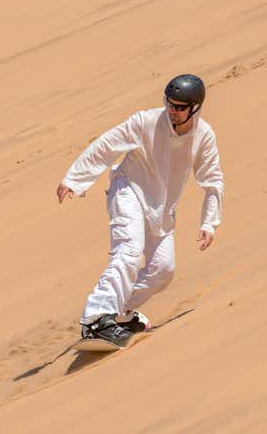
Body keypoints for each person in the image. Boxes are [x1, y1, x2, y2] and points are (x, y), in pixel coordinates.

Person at [56, 74, 224, 346]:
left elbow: (212, 179)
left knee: (163, 270)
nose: (173, 110)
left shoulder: (204, 136)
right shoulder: (145, 121)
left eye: (180, 107)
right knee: (130, 250)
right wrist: (74, 179)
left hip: (162, 207)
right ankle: (96, 319)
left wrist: (209, 222)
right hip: (129, 191)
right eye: (170, 104)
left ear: (195, 108)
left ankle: (119, 314)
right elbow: (106, 145)